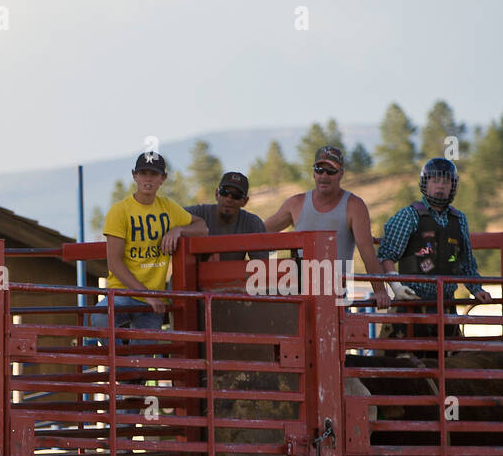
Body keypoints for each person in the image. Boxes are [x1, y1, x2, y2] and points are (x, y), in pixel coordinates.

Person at [377, 158, 489, 340]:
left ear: (452, 186)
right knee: (398, 362)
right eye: (435, 180)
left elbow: (467, 263)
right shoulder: (409, 215)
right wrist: (396, 286)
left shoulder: (459, 219)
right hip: (411, 305)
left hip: (446, 306)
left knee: (450, 363)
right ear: (425, 183)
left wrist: (476, 290)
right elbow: (385, 255)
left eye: (446, 182)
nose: (440, 186)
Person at [97, 151, 208, 334]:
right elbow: (114, 263)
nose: (148, 179)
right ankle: (118, 359)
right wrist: (147, 295)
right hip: (122, 293)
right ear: (135, 176)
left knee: (143, 355)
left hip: (155, 298)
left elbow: (203, 228)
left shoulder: (168, 207)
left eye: (154, 174)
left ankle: (124, 360)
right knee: (99, 316)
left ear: (163, 178)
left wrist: (178, 230)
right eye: (143, 173)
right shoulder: (119, 211)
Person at [262, 146, 382, 298]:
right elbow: (261, 233)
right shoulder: (295, 203)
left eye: (331, 171)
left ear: (341, 174)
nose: (324, 175)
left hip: (334, 295)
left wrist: (379, 291)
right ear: (313, 173)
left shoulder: (354, 206)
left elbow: (367, 251)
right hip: (298, 292)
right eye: (319, 169)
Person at [184, 171, 269, 262]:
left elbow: (261, 267)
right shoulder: (198, 212)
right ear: (217, 194)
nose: (229, 199)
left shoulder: (252, 223)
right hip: (193, 274)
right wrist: (177, 230)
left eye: (236, 196)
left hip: (232, 275)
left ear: (245, 201)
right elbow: (170, 216)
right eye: (224, 192)